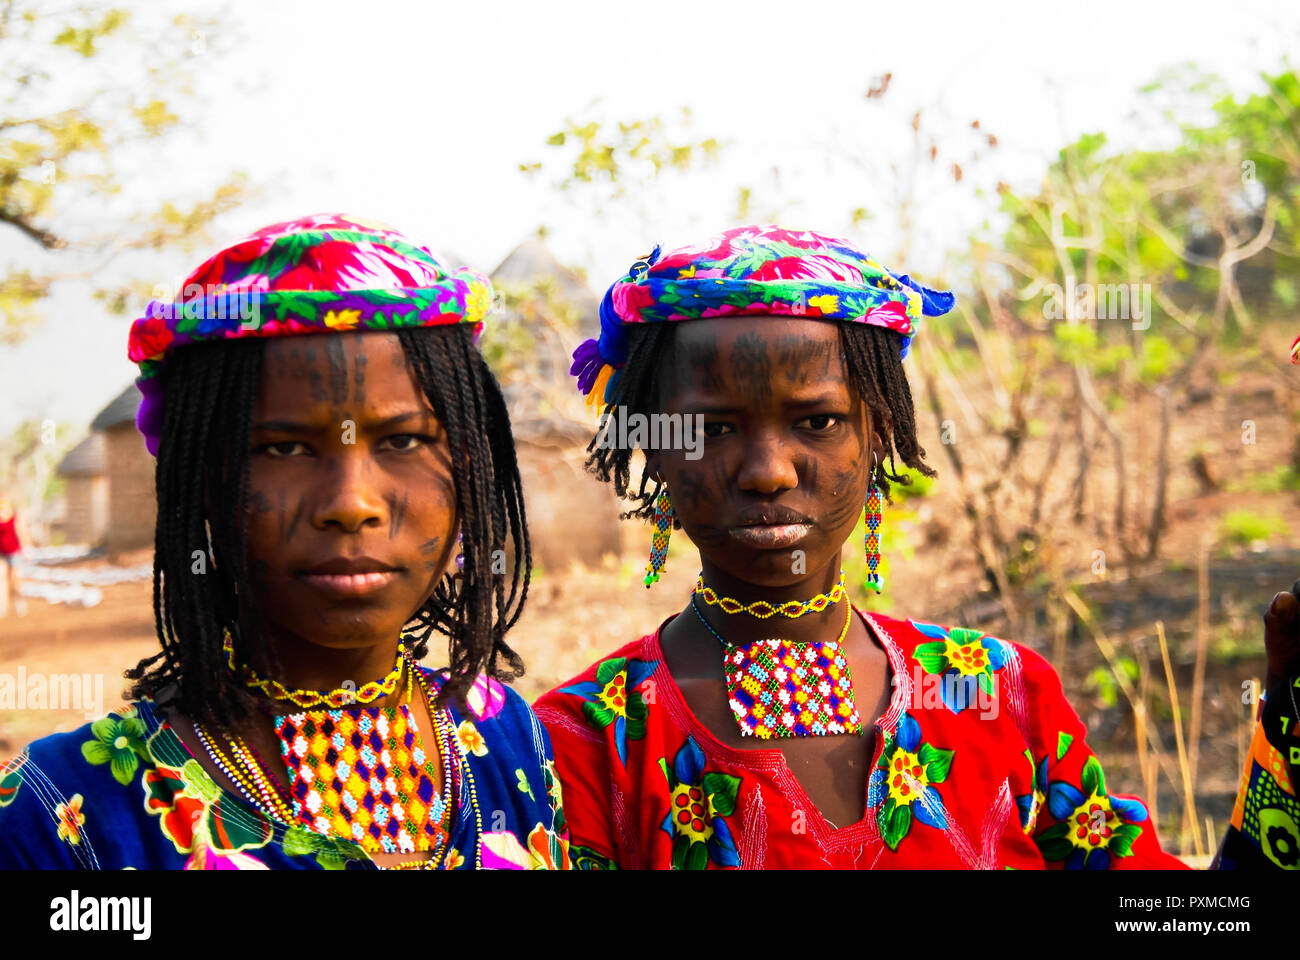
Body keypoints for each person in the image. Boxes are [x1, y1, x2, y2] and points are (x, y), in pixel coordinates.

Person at [535, 224, 1185, 869]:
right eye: (713, 427)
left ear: (878, 435)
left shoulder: (999, 695)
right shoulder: (582, 748)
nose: (769, 471)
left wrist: (1286, 706)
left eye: (817, 421)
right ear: (657, 448)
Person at [0, 214, 569, 870]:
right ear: (202, 484)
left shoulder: (507, 741)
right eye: (284, 447)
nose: (351, 504)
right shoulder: (63, 817)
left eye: (404, 441)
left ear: (468, 464)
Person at [0, 492, 24, 618]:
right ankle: (2, 606)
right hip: (1, 553)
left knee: (14, 580)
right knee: (2, 579)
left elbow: (21, 533)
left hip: (14, 552)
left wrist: (27, 548)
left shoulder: (13, 519)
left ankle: (18, 600)